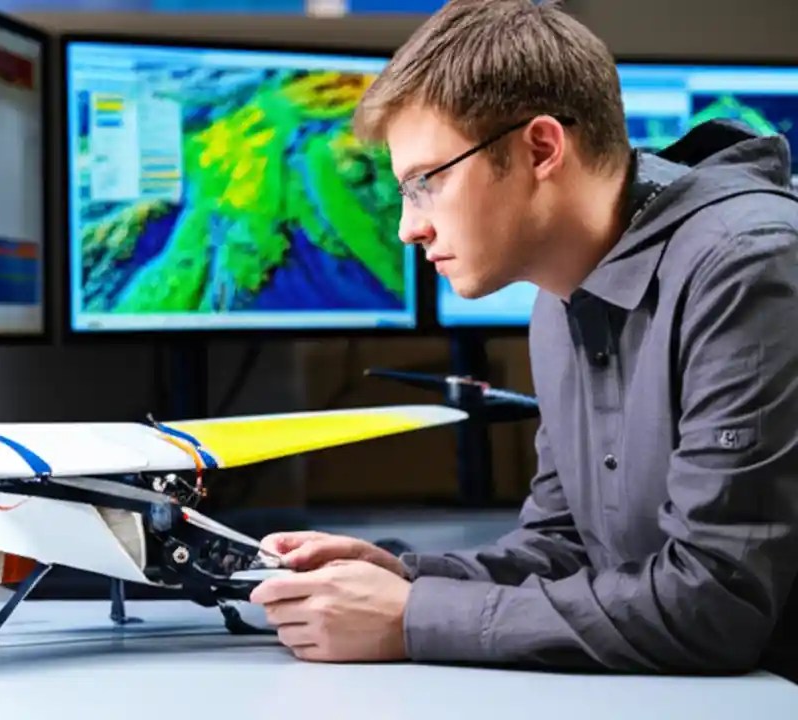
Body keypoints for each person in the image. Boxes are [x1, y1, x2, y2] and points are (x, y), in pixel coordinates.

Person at [248, 0, 798, 681]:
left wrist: (413, 615)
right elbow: (568, 551)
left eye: (426, 183)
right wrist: (400, 577)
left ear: (540, 148)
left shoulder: (748, 266)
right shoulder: (561, 298)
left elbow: (716, 603)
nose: (409, 228)